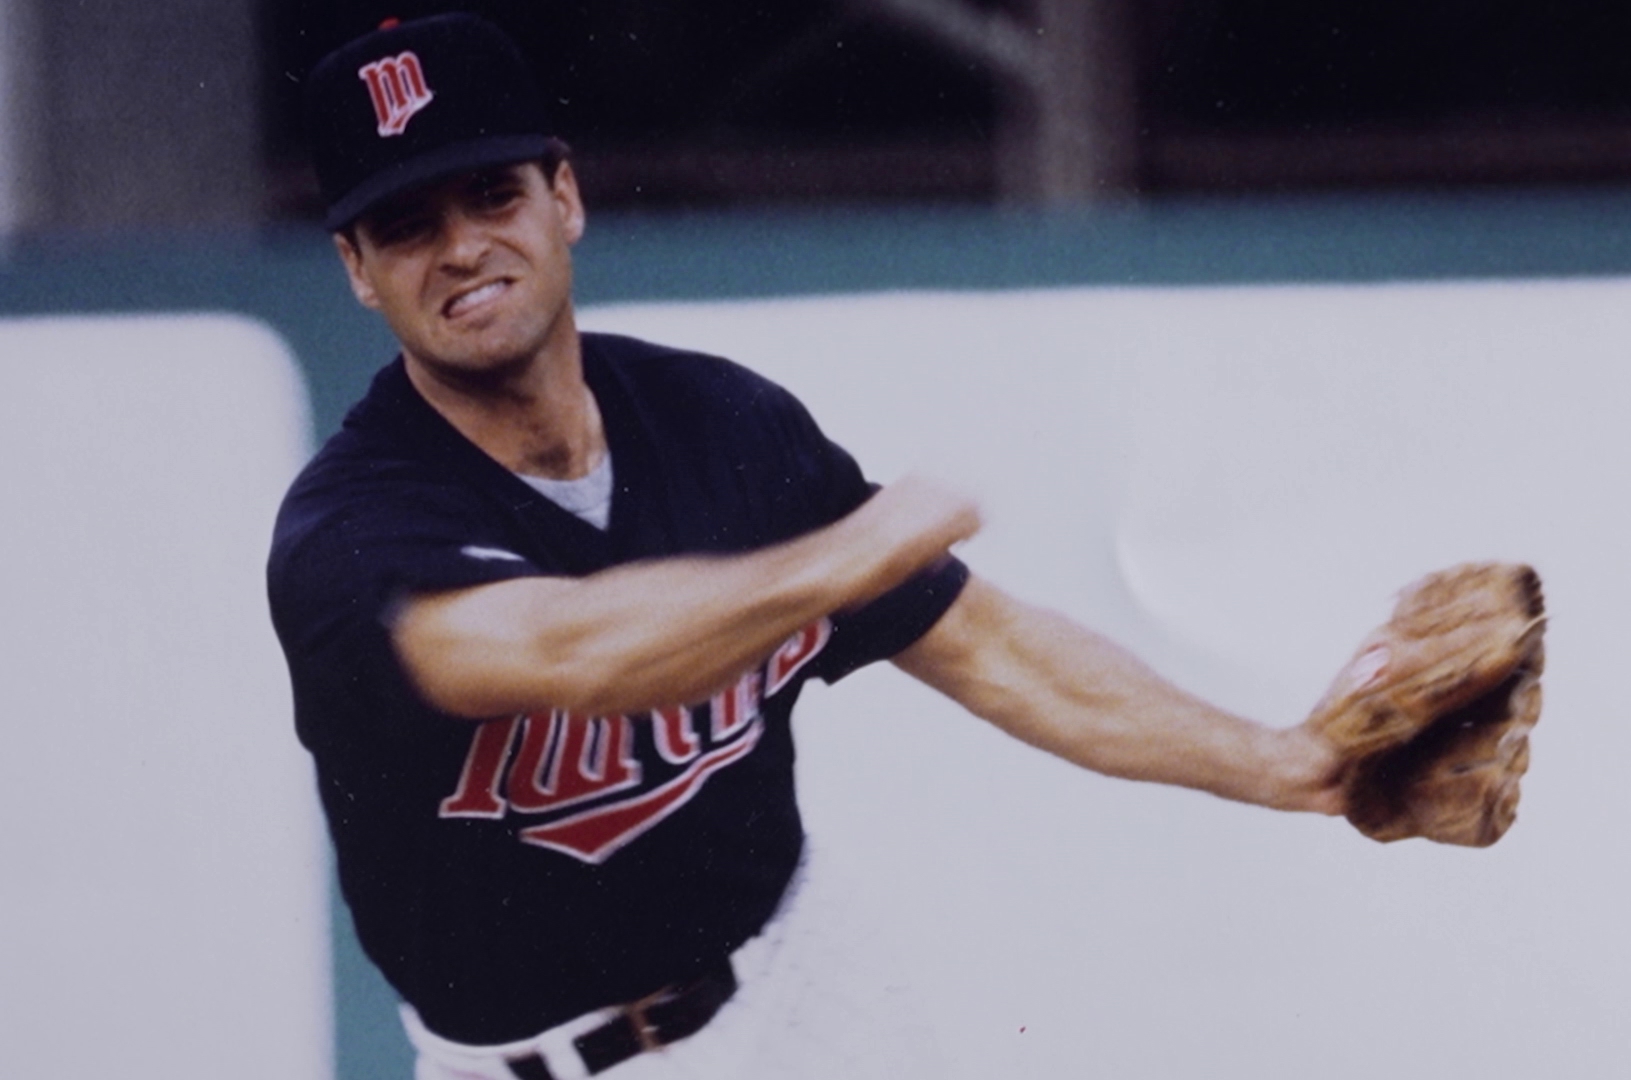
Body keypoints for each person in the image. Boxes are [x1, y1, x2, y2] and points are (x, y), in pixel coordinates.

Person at [269, 13, 1355, 1080]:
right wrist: (851, 550)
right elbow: (574, 654)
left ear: (564, 197)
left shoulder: (717, 421)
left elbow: (991, 649)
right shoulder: (351, 531)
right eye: (407, 225)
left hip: (806, 987)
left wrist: (1286, 764)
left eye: (492, 194)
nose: (462, 247)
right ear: (358, 268)